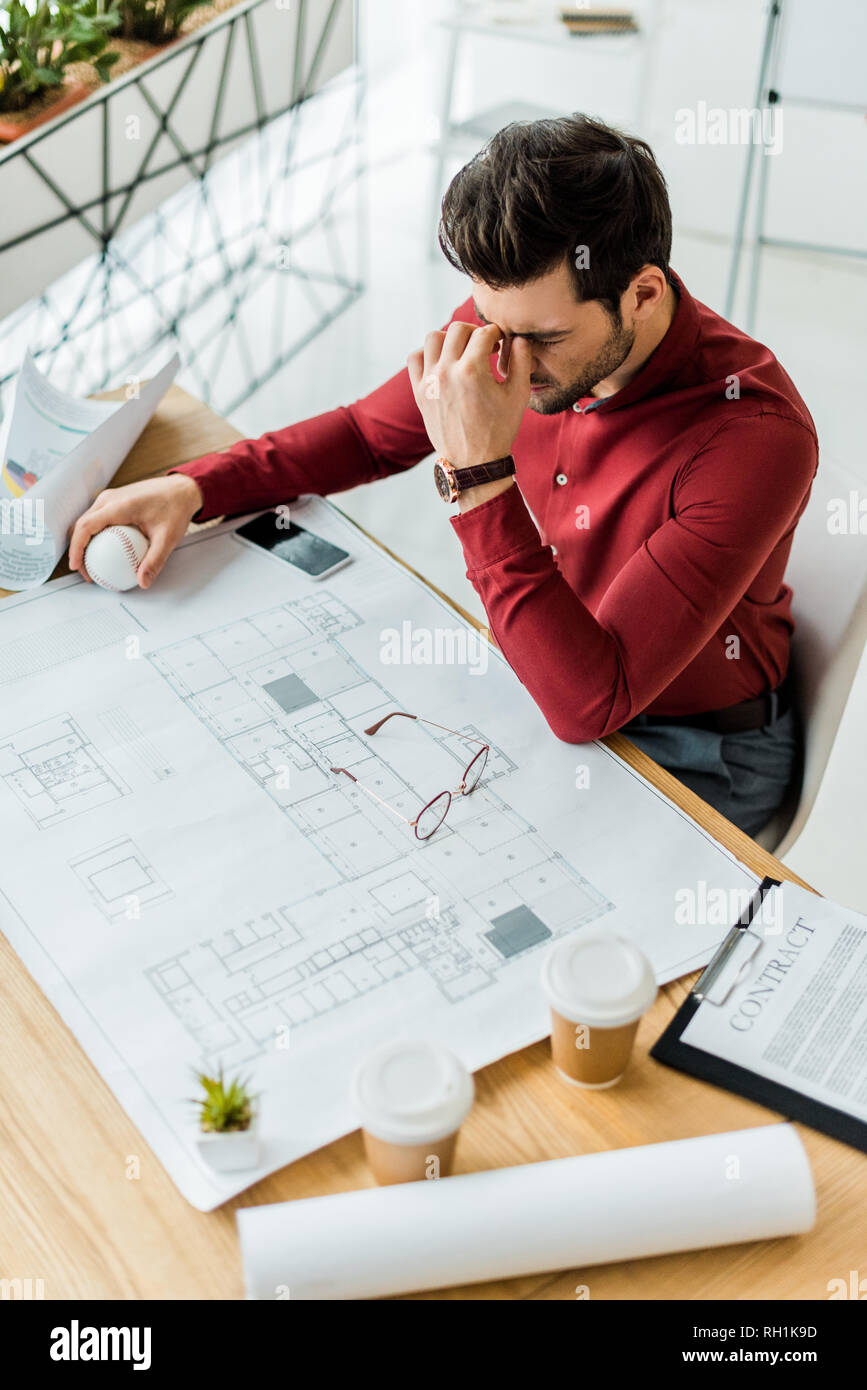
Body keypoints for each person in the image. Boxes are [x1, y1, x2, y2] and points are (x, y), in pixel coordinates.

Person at [68, 115, 818, 837]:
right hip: (537, 669)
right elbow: (368, 435)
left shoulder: (752, 436)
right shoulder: (523, 310)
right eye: (494, 323)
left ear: (643, 293)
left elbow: (591, 703)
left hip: (696, 752)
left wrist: (480, 476)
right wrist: (196, 485)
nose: (510, 360)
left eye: (542, 338)